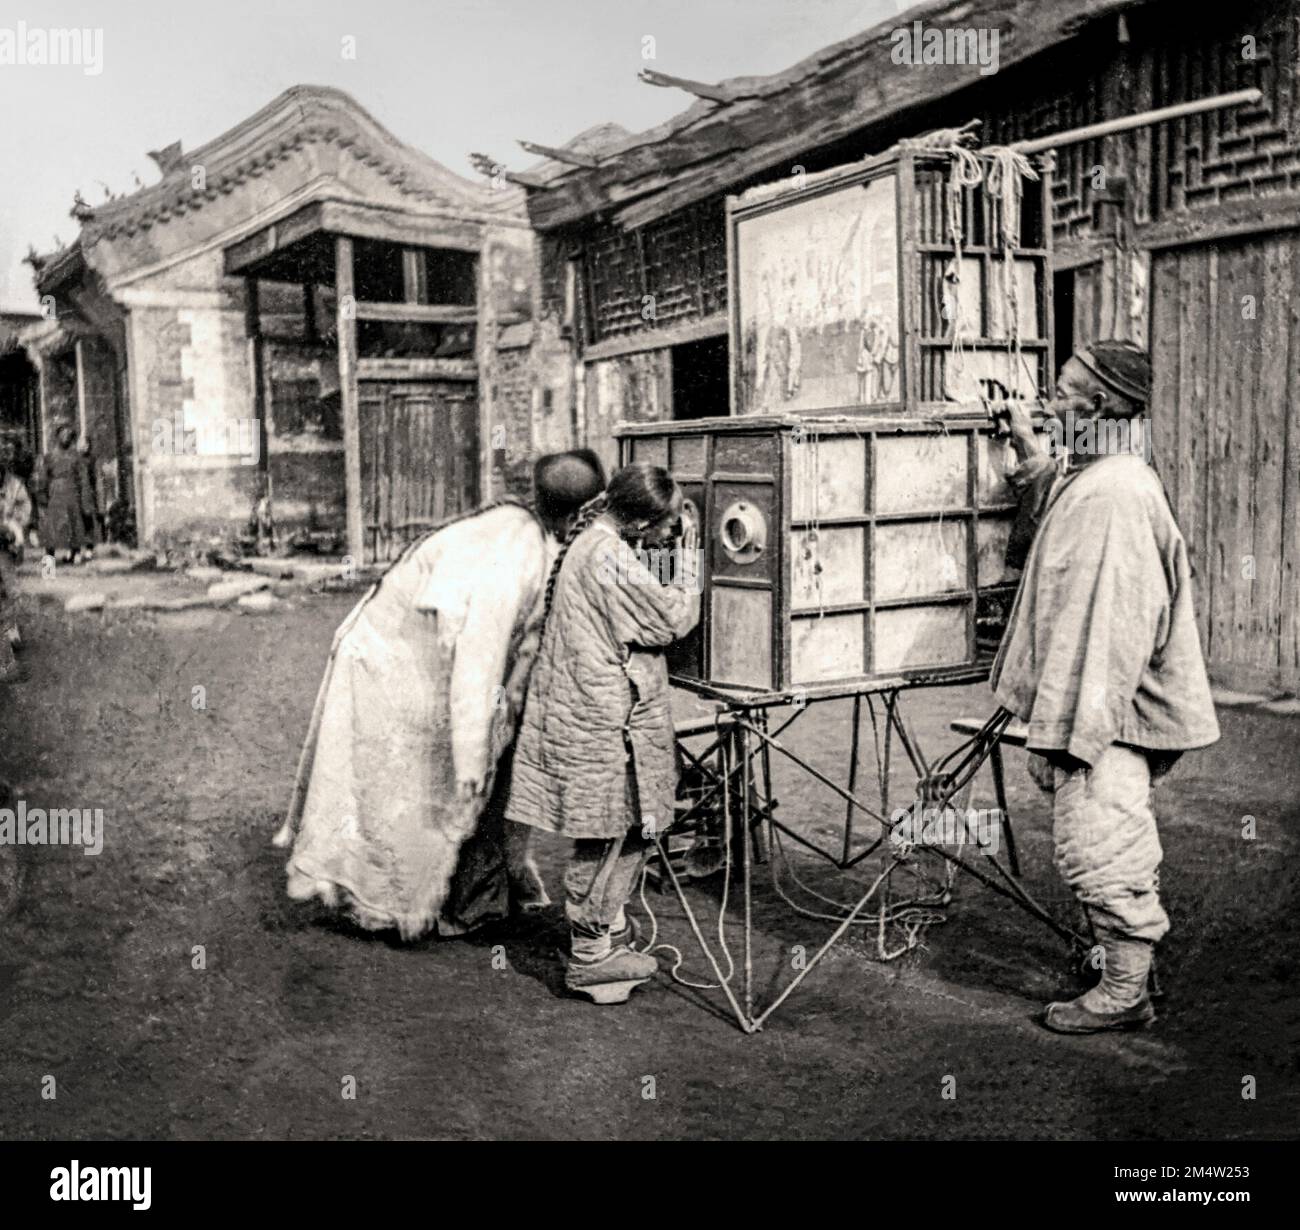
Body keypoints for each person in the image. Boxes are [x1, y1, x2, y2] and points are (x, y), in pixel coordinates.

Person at [275, 450, 607, 940]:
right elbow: (478, 664)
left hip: (418, 658)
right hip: (391, 664)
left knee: (441, 779)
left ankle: (467, 894)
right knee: (412, 785)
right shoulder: (509, 559)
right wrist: (472, 759)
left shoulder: (523, 528)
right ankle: (405, 904)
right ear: (579, 513)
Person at [990, 340, 1220, 1034]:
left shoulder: (1115, 495)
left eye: (1063, 394)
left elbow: (1107, 635)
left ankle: (1125, 993)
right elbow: (1055, 491)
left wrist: (1070, 738)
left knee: (1100, 841)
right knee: (1101, 833)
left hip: (1107, 709)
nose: (1048, 403)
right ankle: (1126, 973)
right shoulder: (1100, 474)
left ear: (1102, 406)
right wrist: (1030, 451)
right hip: (1101, 703)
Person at [506, 462, 701, 1004]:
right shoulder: (609, 555)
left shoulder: (594, 541)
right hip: (604, 717)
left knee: (611, 824)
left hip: (585, 709)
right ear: (639, 524)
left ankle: (604, 928)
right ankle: (591, 955)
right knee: (627, 822)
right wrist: (690, 561)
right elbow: (671, 620)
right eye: (664, 527)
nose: (669, 535)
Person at [0, 439, 33, 681]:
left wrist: (14, 525)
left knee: (11, 591)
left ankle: (11, 631)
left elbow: (24, 507)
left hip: (4, 547)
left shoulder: (13, 485)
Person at [39, 423, 88, 564]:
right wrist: (43, 493)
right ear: (57, 436)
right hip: (55, 491)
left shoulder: (76, 456)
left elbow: (82, 476)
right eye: (62, 434)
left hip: (72, 490)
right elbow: (44, 476)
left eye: (68, 435)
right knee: (53, 523)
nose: (65, 437)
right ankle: (49, 556)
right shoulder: (50, 456)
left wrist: (82, 493)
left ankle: (75, 553)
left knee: (73, 521)